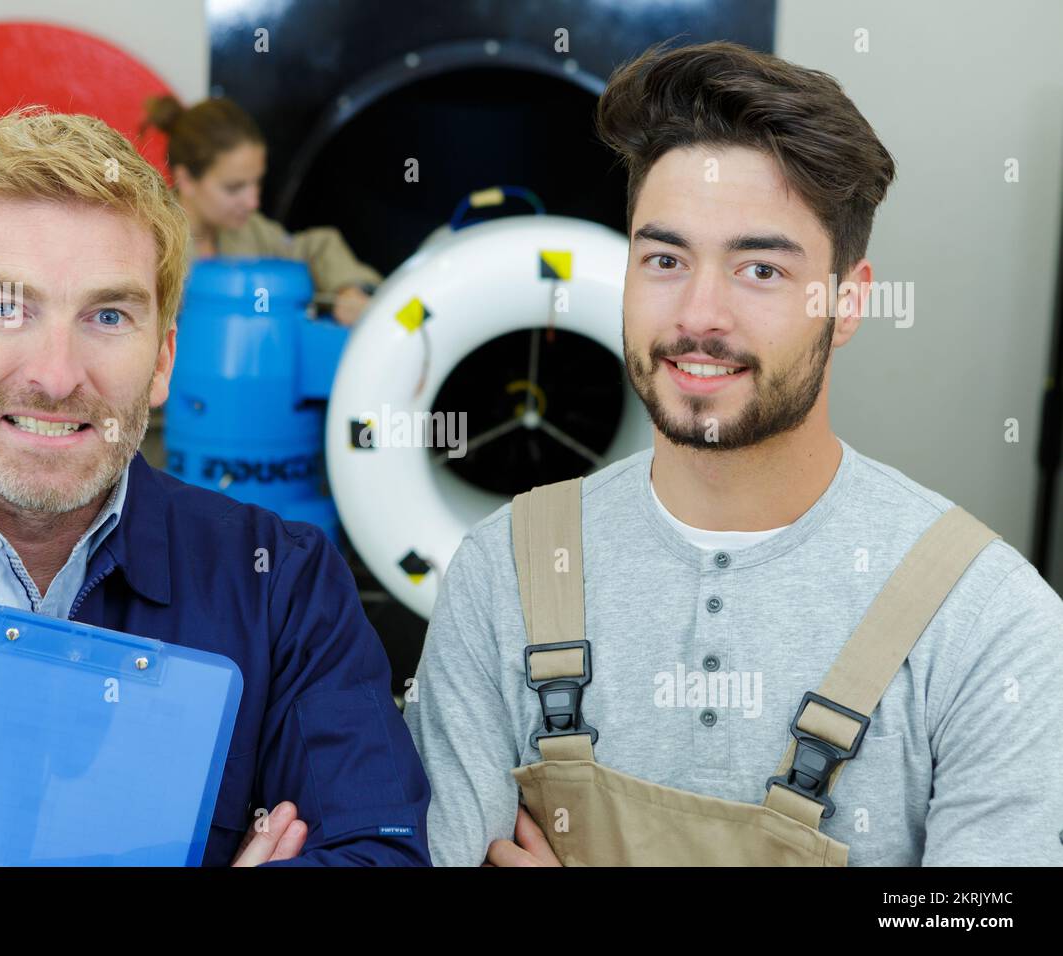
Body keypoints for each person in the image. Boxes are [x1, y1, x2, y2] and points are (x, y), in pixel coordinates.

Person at [403, 40, 1063, 867]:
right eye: (666, 260)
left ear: (848, 302)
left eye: (759, 268)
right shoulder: (503, 572)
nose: (698, 315)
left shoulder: (991, 624)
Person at [0, 107, 430, 867]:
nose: (56, 374)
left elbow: (382, 856)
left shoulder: (284, 584)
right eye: (2, 307)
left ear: (162, 362)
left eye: (108, 315)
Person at [138, 94, 382, 469]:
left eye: (257, 184)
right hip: (163, 440)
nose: (252, 201)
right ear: (186, 178)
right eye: (235, 188)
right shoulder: (147, 244)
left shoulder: (249, 233)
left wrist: (351, 288)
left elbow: (315, 247)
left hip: (257, 433)